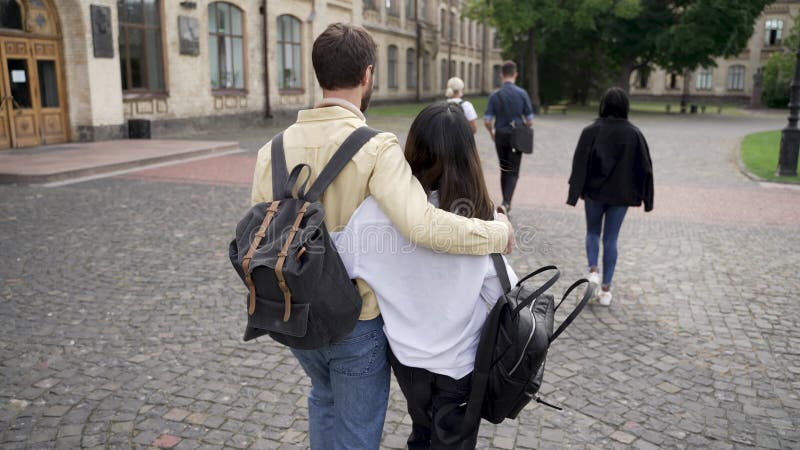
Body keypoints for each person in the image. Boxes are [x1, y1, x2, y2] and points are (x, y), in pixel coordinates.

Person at [249, 23, 514, 450]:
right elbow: (423, 226)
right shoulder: (375, 147)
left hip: (292, 316)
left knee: (323, 398)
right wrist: (497, 233)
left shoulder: (271, 151)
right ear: (368, 74)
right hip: (355, 321)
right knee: (356, 433)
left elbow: (262, 237)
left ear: (318, 73)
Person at [332, 102, 518, 449]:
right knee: (451, 440)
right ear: (469, 154)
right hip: (460, 362)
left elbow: (341, 265)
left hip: (407, 361)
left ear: (412, 148)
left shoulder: (375, 213)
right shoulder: (479, 217)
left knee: (422, 430)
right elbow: (504, 294)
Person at [566, 87, 654, 306]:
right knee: (611, 238)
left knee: (593, 232)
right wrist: (647, 199)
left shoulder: (591, 131)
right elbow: (646, 168)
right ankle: (606, 289)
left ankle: (593, 269)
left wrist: (574, 193)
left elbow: (579, 164)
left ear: (603, 105)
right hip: (621, 195)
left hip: (594, 193)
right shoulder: (634, 134)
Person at [484, 60, 534, 214]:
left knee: (504, 168)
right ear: (515, 74)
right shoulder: (522, 94)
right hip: (516, 137)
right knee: (513, 170)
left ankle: (505, 202)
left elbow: (487, 120)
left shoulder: (495, 95)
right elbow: (530, 120)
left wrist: (491, 132)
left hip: (500, 135)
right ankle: (506, 203)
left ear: (501, 75)